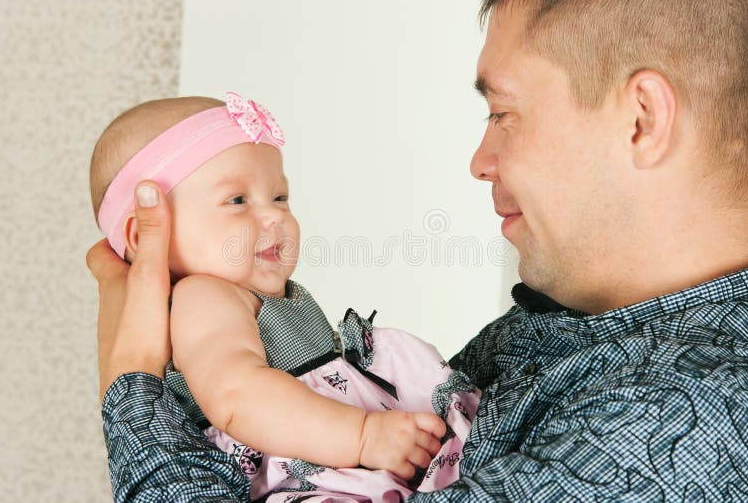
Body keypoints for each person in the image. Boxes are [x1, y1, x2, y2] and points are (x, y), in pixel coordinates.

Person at [88, 0, 748, 500]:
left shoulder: (681, 428)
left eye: (504, 113)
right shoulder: (579, 324)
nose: (480, 161)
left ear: (642, 120)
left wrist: (131, 386)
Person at [89, 92, 479, 501]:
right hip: (304, 474)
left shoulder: (247, 296)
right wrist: (362, 437)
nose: (275, 215)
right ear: (143, 235)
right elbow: (237, 395)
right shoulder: (201, 298)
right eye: (237, 201)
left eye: (279, 197)